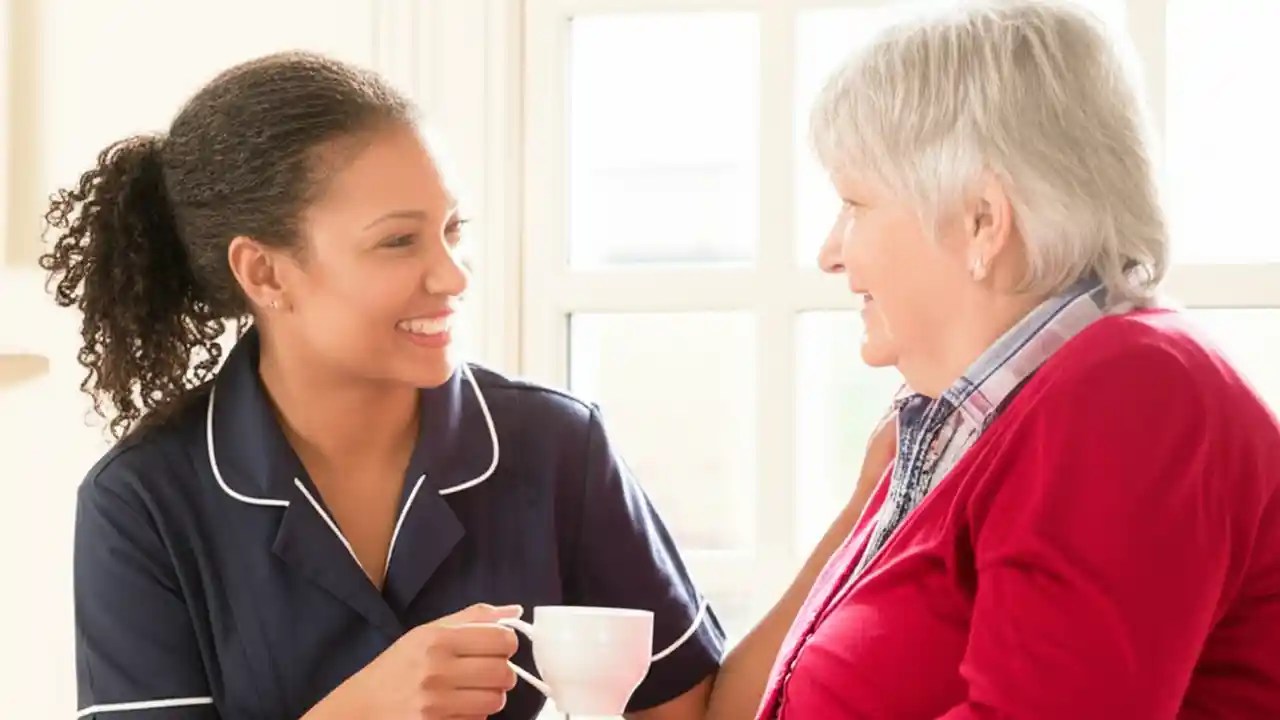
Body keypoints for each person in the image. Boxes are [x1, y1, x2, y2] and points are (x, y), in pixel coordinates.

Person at [43, 52, 732, 720]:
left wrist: (843, 532)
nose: (453, 275)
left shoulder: (557, 447)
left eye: (452, 229)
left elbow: (693, 708)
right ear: (265, 273)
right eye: (400, 241)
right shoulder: (142, 501)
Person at [755, 2, 1280, 718]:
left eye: (855, 204)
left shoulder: (1131, 395)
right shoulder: (981, 420)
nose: (830, 253)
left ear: (982, 220)